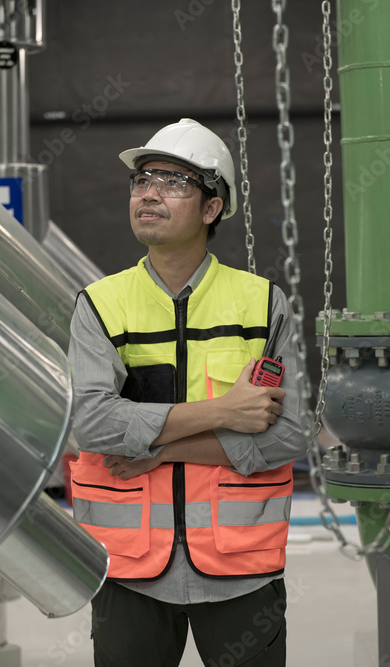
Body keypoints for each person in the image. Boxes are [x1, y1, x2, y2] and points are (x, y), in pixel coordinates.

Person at [68, 118, 311, 667]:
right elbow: (92, 425)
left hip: (241, 570)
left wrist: (161, 446)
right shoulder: (101, 305)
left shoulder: (261, 304)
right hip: (128, 571)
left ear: (212, 207)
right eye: (142, 180)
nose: (149, 192)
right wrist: (224, 411)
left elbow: (290, 434)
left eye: (174, 182)